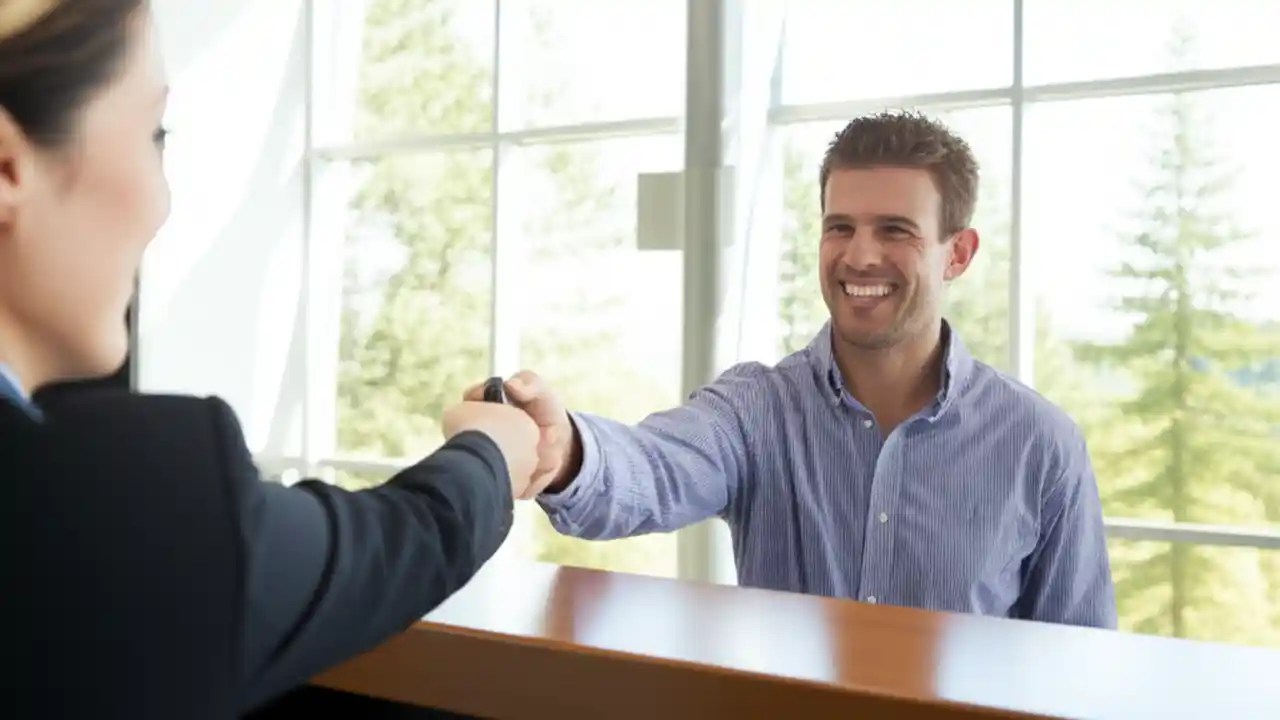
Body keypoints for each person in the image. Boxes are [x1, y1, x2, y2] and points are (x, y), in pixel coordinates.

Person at [2, 1, 540, 717]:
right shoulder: (108, 502)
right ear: (8, 168)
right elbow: (388, 545)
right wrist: (492, 455)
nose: (163, 202)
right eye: (152, 133)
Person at [476, 110, 1117, 628]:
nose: (860, 256)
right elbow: (654, 465)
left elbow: (1079, 666)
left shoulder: (1041, 444)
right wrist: (568, 454)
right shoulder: (758, 411)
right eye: (841, 227)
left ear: (959, 254)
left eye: (895, 230)